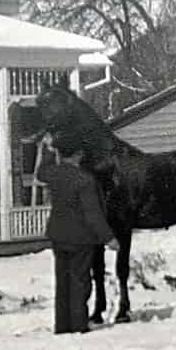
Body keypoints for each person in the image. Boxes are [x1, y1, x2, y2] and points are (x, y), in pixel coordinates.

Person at [36, 136, 116, 335]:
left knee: (62, 282)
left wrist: (47, 151)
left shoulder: (54, 174)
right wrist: (109, 238)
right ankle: (78, 325)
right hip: (80, 237)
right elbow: (92, 213)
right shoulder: (84, 180)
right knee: (80, 281)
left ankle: (63, 326)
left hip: (58, 234)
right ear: (78, 154)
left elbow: (41, 172)